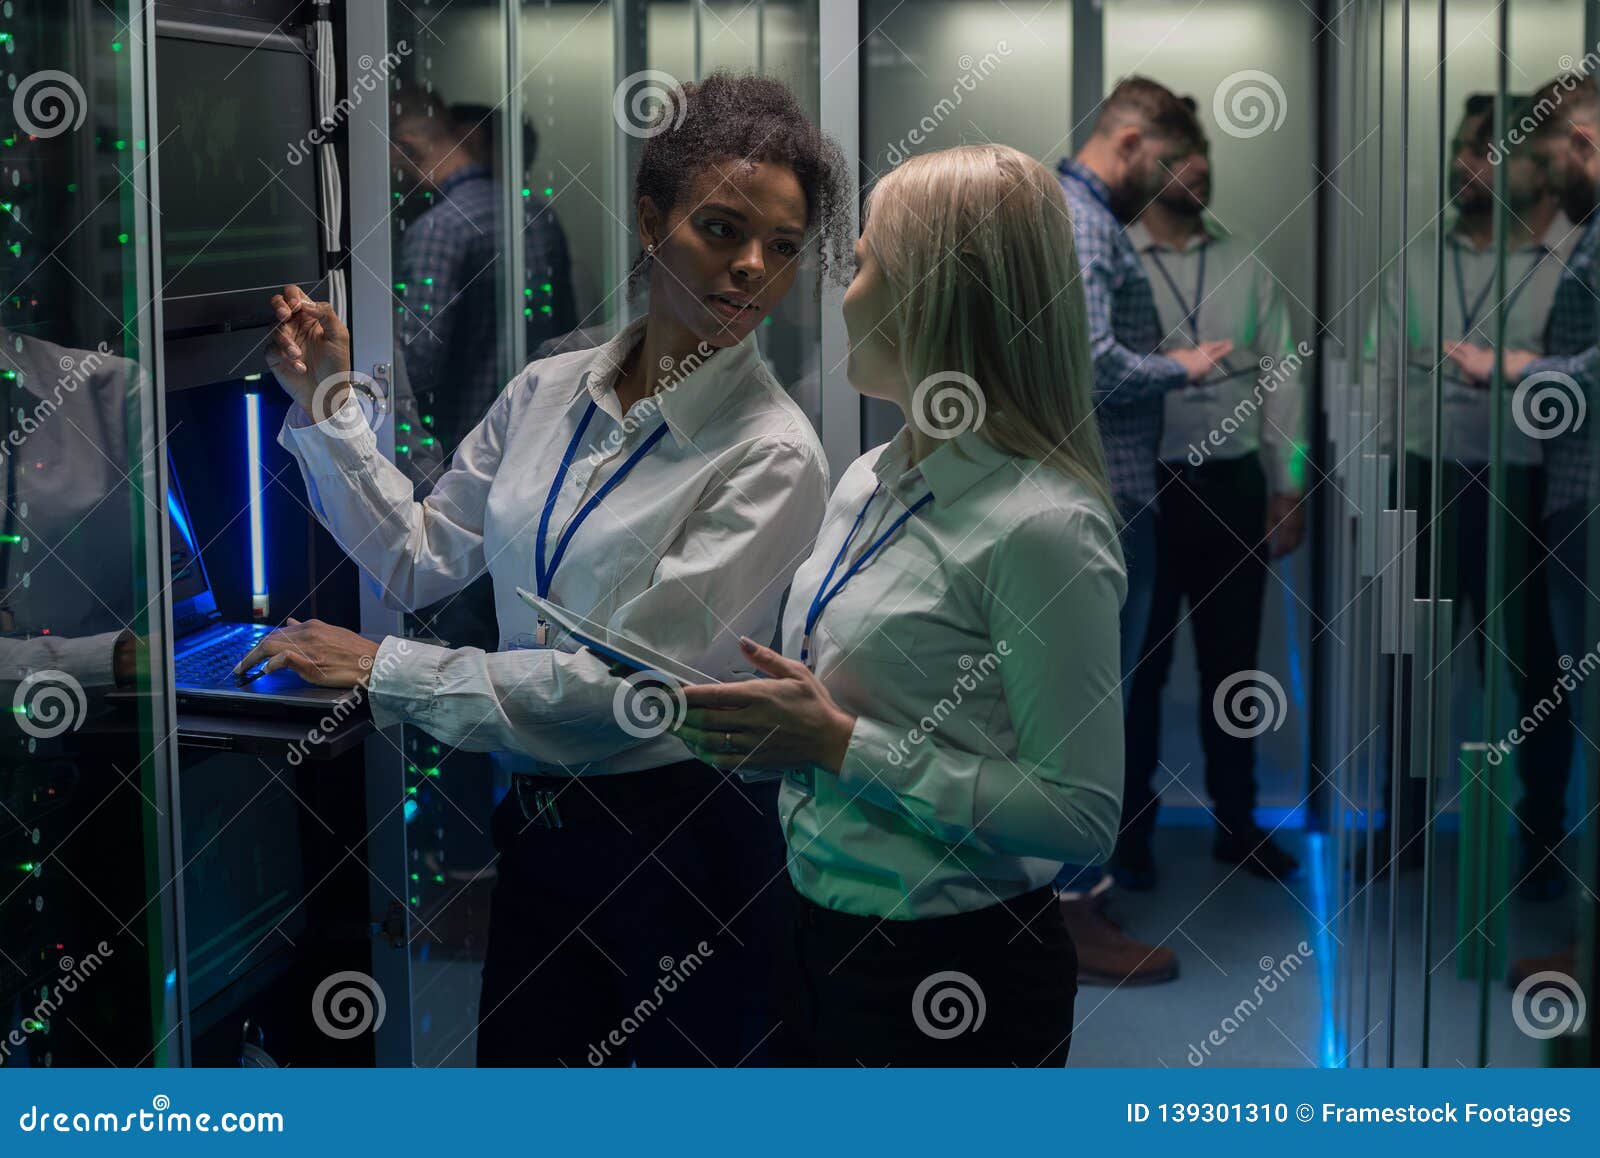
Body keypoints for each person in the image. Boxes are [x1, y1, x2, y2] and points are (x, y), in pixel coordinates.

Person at [237, 72, 852, 1066]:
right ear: (651, 221)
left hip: (679, 846)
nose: (750, 268)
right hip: (533, 831)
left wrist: (386, 672)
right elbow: (420, 550)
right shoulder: (550, 388)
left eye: (781, 250)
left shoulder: (772, 454)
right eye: (721, 229)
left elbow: (630, 690)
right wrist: (327, 405)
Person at [674, 144, 1126, 1066]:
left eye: (866, 262)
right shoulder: (873, 476)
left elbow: (1079, 816)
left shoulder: (1042, 526)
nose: (842, 293)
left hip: (951, 974)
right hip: (810, 931)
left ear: (933, 297)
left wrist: (839, 745)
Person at [1053, 76, 1231, 985]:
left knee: (1101, 700)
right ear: (1127, 142)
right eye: (1162, 167)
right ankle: (1077, 911)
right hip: (1110, 495)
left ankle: (1083, 896)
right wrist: (1178, 366)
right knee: (1099, 707)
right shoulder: (1085, 221)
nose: (1165, 190)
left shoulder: (1074, 212)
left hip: (1111, 492)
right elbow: (1085, 368)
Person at [1121, 118, 1308, 887]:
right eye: (1179, 158)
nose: (1197, 170)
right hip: (1146, 487)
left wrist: (1288, 483)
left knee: (1235, 669)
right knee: (1140, 667)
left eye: (1204, 158)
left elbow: (1282, 375)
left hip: (1232, 488)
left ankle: (1240, 824)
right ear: (1146, 165)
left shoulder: (1245, 261)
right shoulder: (1119, 260)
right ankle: (1129, 835)